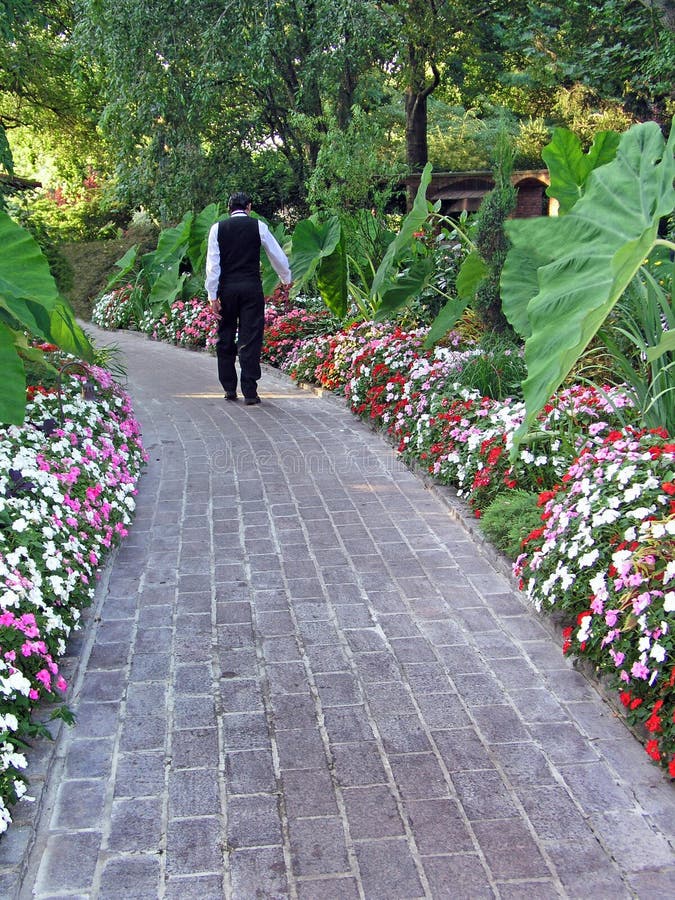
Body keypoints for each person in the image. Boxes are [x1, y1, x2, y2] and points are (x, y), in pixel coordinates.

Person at [205, 192, 291, 405]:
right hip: (252, 288)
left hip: (227, 290)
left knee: (225, 337)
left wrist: (212, 295)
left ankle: (229, 388)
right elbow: (276, 254)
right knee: (250, 338)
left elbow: (213, 266)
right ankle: (250, 392)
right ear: (249, 207)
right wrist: (285, 277)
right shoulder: (258, 226)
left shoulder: (217, 229)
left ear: (229, 208)